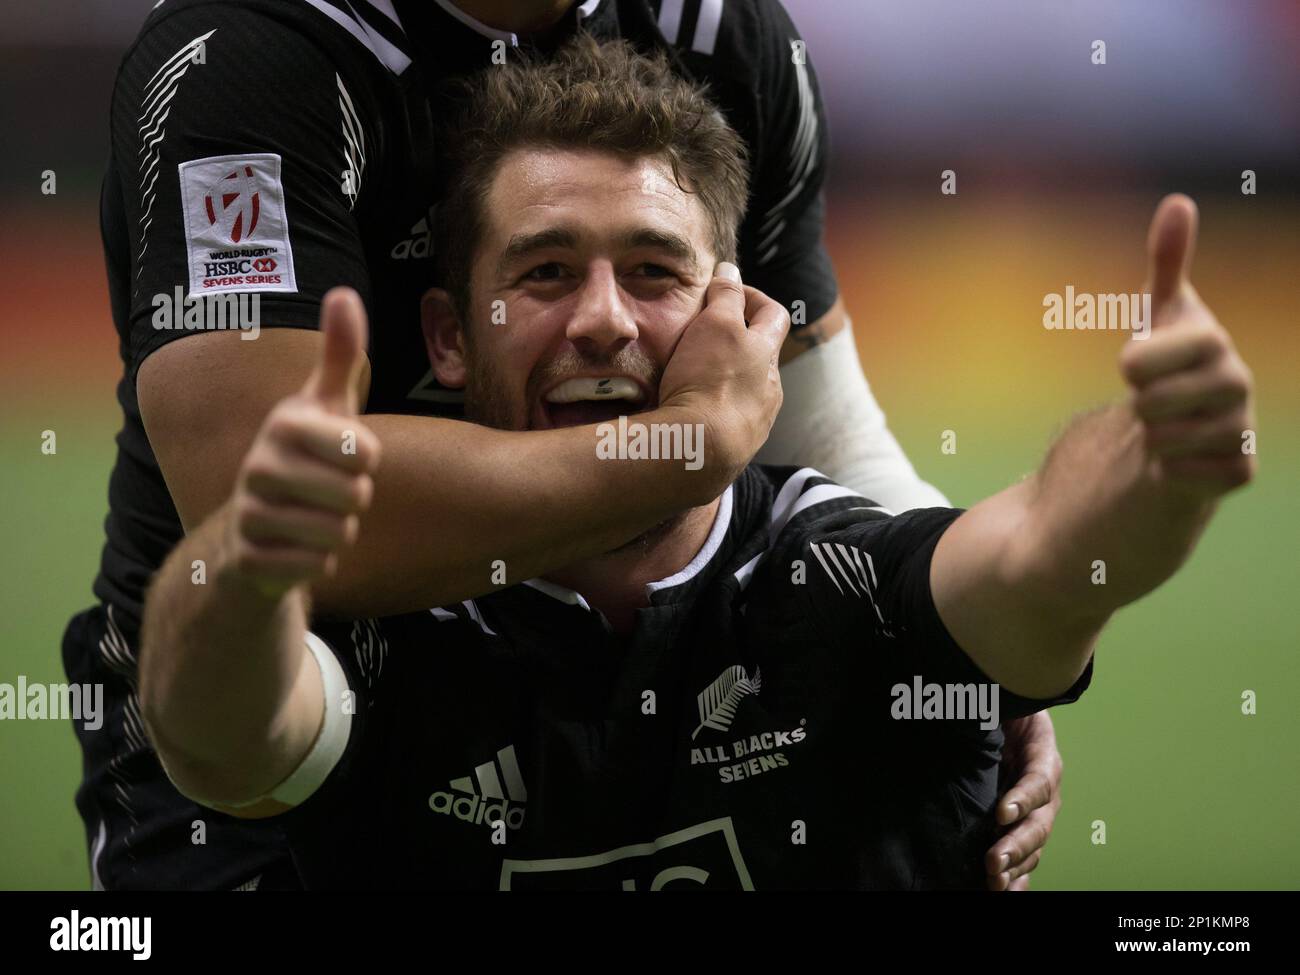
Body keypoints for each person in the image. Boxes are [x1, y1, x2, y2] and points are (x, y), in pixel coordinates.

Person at [139, 38, 1254, 889]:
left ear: (740, 312)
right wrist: (241, 565)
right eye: (544, 272)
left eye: (654, 271)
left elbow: (1050, 553)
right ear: (444, 335)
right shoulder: (391, 630)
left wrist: (1158, 462)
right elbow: (223, 737)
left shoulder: (846, 578)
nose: (602, 320)